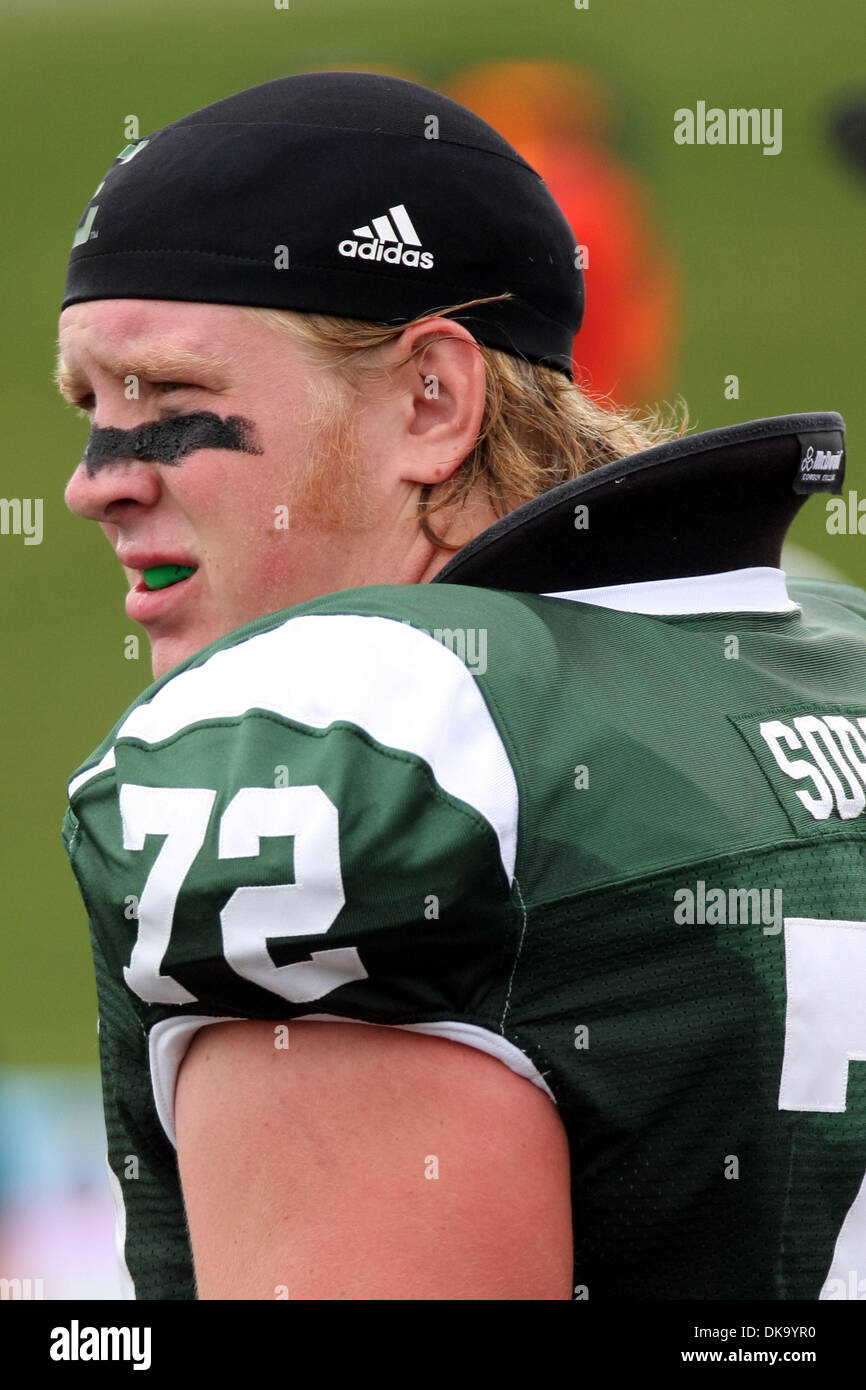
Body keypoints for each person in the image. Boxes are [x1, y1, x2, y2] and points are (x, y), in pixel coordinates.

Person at [57, 70, 866, 1302]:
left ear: (431, 402)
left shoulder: (359, 747)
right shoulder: (829, 636)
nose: (95, 480)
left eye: (170, 402)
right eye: (90, 408)